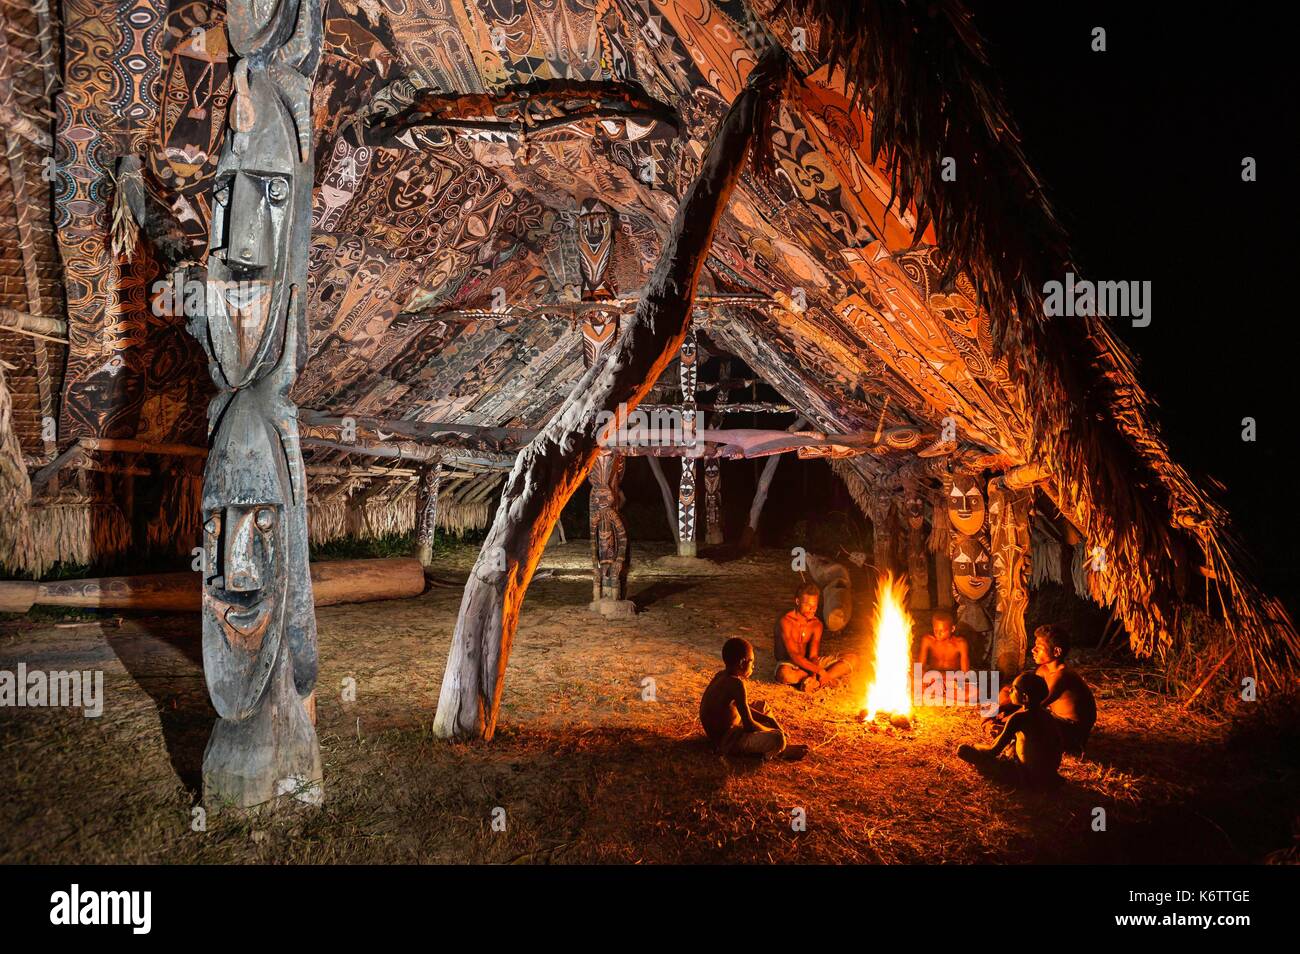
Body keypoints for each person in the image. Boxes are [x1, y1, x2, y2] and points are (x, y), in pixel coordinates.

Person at [985, 623, 1097, 755]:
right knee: (1008, 690)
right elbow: (1024, 694)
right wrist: (1001, 708)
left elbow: (1034, 706)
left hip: (1071, 731)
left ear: (1056, 651)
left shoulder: (1062, 676)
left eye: (1039, 648)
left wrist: (1005, 719)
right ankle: (997, 727)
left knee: (1025, 719)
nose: (1033, 650)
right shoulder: (1043, 670)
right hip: (1055, 720)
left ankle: (1003, 743)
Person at [700, 637, 807, 760]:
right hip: (728, 741)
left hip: (725, 729)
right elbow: (749, 725)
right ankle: (783, 750)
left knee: (762, 706)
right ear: (742, 663)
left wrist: (770, 720)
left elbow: (736, 708)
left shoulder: (721, 675)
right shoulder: (736, 685)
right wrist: (771, 730)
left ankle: (773, 740)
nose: (753, 667)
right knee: (778, 738)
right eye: (751, 662)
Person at [958, 672, 1063, 787]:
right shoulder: (1048, 715)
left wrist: (976, 746)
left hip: (1027, 777)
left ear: (1024, 697)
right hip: (1050, 776)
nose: (1009, 691)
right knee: (1012, 745)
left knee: (963, 750)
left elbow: (993, 751)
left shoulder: (1018, 718)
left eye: (1014, 689)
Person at [773, 582, 859, 692]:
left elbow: (813, 656)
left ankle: (815, 682)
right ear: (798, 602)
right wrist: (820, 671)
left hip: (811, 664)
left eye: (815, 605)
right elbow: (794, 656)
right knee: (783, 674)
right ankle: (823, 678)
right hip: (790, 663)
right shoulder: (785, 622)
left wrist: (814, 674)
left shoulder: (816, 624)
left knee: (853, 659)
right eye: (808, 605)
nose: (812, 609)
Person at [916, 609, 977, 704]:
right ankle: (942, 692)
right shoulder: (928, 640)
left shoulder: (960, 644)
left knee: (974, 693)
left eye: (942, 631)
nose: (938, 634)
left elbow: (965, 673)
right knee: (911, 683)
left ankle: (940, 693)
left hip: (953, 680)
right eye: (935, 630)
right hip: (933, 679)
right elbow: (920, 667)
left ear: (952, 629)